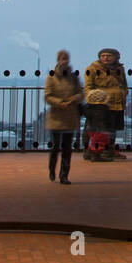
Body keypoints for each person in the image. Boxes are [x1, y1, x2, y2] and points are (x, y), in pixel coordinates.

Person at [83, 47, 128, 162]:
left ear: (116, 57)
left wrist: (123, 93)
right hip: (100, 106)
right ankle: (92, 151)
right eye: (103, 56)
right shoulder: (92, 69)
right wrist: (95, 101)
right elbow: (88, 88)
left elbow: (124, 84)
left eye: (109, 55)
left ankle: (109, 150)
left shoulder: (120, 69)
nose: (106, 58)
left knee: (112, 129)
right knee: (98, 130)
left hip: (117, 103)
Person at [44, 50, 83, 184]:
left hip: (70, 117)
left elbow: (80, 93)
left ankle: (64, 175)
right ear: (58, 60)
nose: (64, 61)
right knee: (55, 147)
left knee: (67, 148)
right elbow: (47, 96)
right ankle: (52, 169)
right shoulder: (51, 77)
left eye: (66, 59)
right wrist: (60, 103)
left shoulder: (74, 77)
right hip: (56, 117)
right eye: (62, 59)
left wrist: (74, 99)